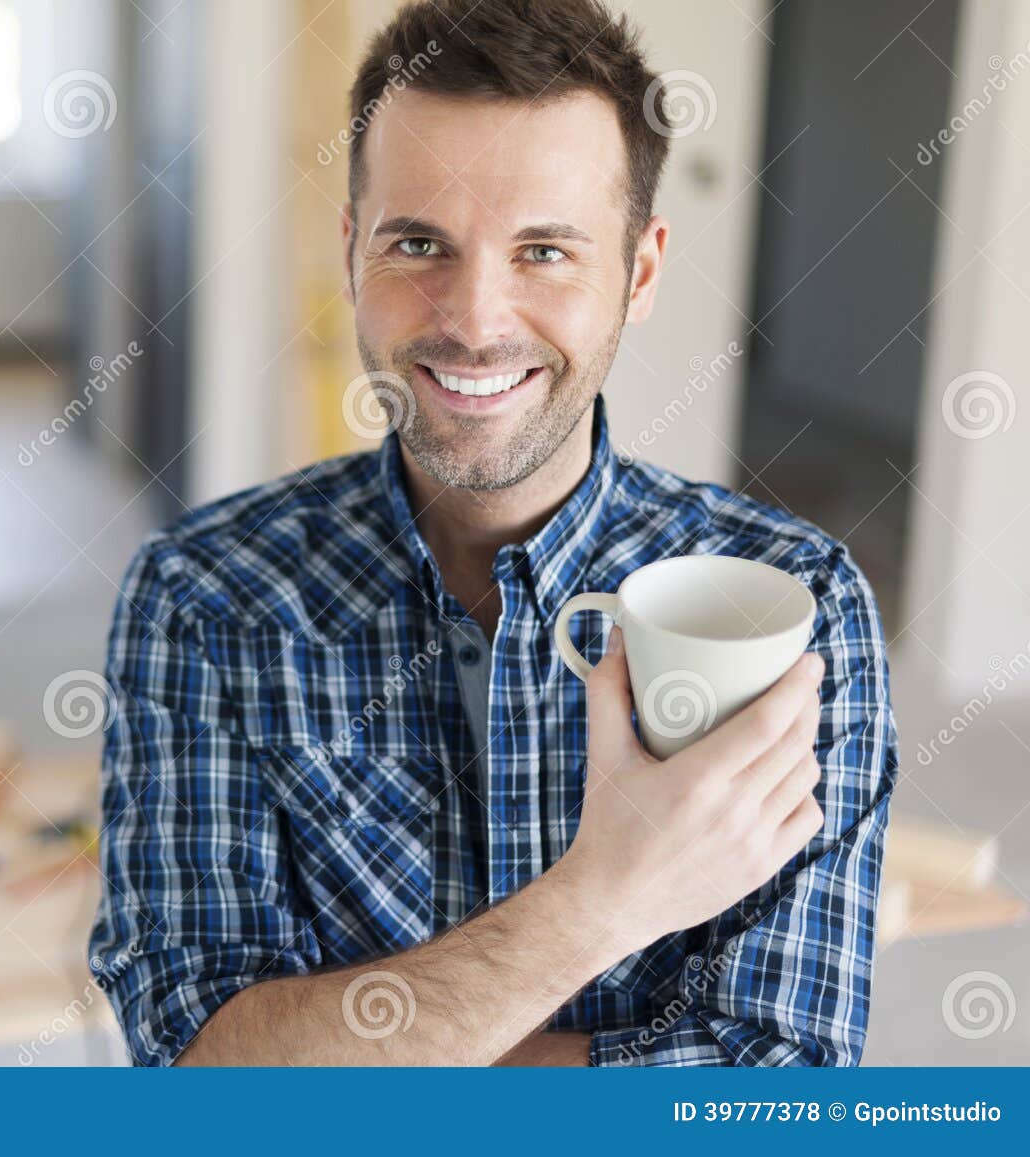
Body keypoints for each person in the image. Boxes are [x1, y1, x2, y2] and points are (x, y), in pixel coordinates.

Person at [89, 0, 897, 1066]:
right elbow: (200, 1075)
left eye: (545, 251)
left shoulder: (793, 605)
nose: (473, 318)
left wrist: (359, 1062)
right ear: (350, 254)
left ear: (640, 272)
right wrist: (609, 895)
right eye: (417, 242)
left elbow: (777, 1090)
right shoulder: (200, 595)